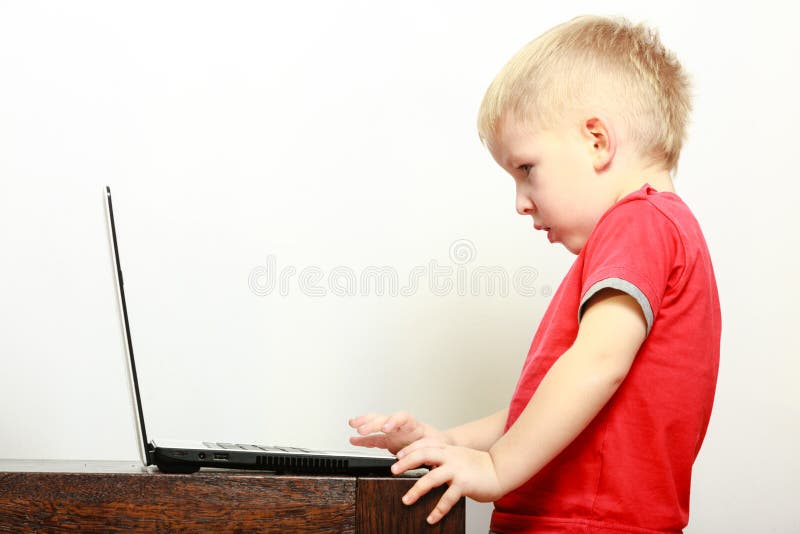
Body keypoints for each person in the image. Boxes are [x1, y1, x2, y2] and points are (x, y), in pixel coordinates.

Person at [349, 14, 720, 533]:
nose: (521, 203)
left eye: (526, 169)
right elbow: (544, 404)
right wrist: (449, 442)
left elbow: (598, 362)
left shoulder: (638, 221)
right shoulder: (645, 237)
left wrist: (499, 467)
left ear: (597, 141)